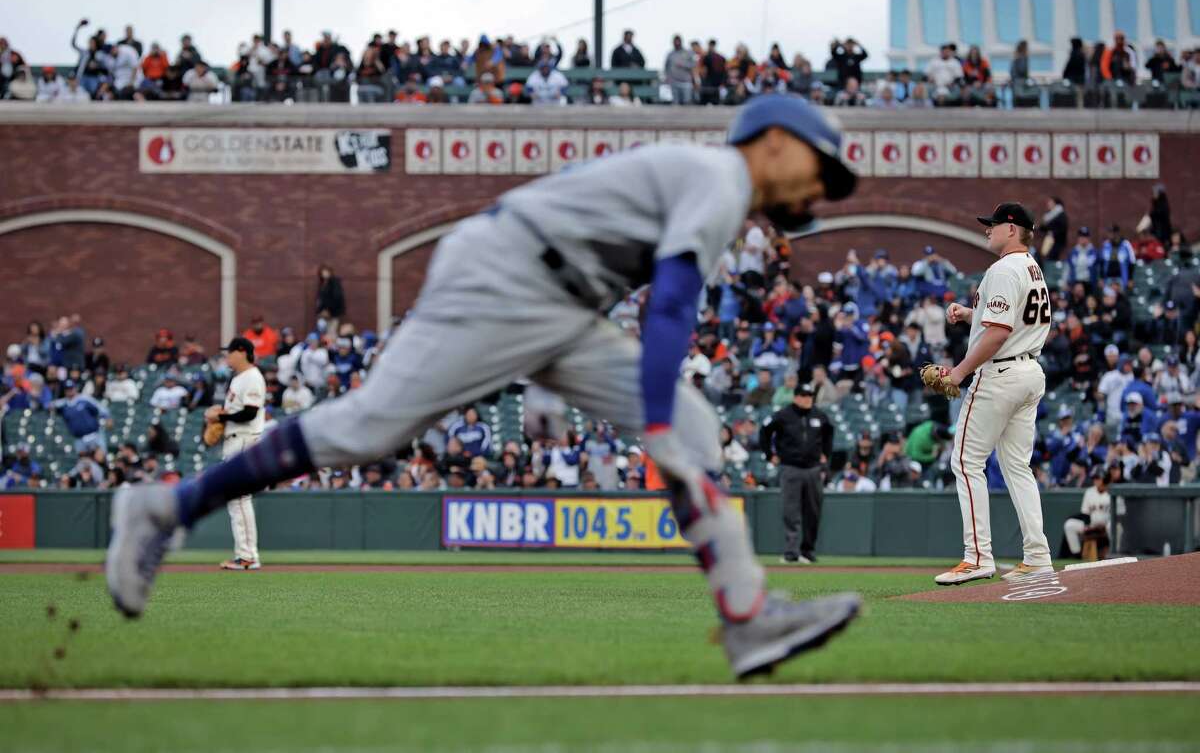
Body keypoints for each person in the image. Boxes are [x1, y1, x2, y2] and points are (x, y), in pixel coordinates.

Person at [106, 94, 863, 678]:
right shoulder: (722, 174)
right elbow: (668, 301)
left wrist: (548, 384)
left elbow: (589, 247)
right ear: (774, 139)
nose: (821, 187)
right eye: (819, 166)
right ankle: (163, 508)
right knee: (369, 429)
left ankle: (746, 613)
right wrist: (648, 413)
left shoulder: (705, 178)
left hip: (549, 295)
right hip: (504, 277)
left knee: (697, 429)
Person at [934, 203, 1052, 586]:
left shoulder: (1002, 269)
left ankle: (978, 557)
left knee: (966, 462)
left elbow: (999, 333)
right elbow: (1010, 321)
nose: (988, 230)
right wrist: (971, 315)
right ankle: (1036, 556)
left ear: (1013, 229)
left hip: (1000, 373)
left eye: (994, 224)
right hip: (1030, 370)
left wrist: (959, 372)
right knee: (1017, 466)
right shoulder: (1032, 268)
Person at [204, 338, 266, 571]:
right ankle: (246, 554)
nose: (227, 357)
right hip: (235, 440)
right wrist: (220, 416)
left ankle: (248, 556)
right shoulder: (238, 378)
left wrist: (221, 417)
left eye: (230, 353)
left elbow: (249, 413)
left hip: (244, 440)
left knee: (239, 498)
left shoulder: (252, 377)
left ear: (242, 352)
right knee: (237, 499)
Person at [759, 383, 832, 564]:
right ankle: (791, 552)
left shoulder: (819, 415)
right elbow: (764, 430)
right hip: (791, 468)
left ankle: (807, 551)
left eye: (810, 395)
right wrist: (770, 454)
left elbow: (829, 432)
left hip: (813, 469)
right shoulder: (783, 415)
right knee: (791, 512)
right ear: (796, 397)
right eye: (804, 395)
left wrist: (826, 454)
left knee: (813, 512)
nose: (808, 399)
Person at [1062, 470, 1111, 558]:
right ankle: (1076, 555)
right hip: (1092, 524)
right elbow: (1085, 513)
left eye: (1098, 478)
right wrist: (1087, 525)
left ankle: (1114, 552)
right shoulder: (1089, 492)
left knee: (1111, 526)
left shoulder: (1112, 491)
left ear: (1105, 479)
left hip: (1108, 524)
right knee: (1069, 525)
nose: (1095, 480)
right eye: (1094, 478)